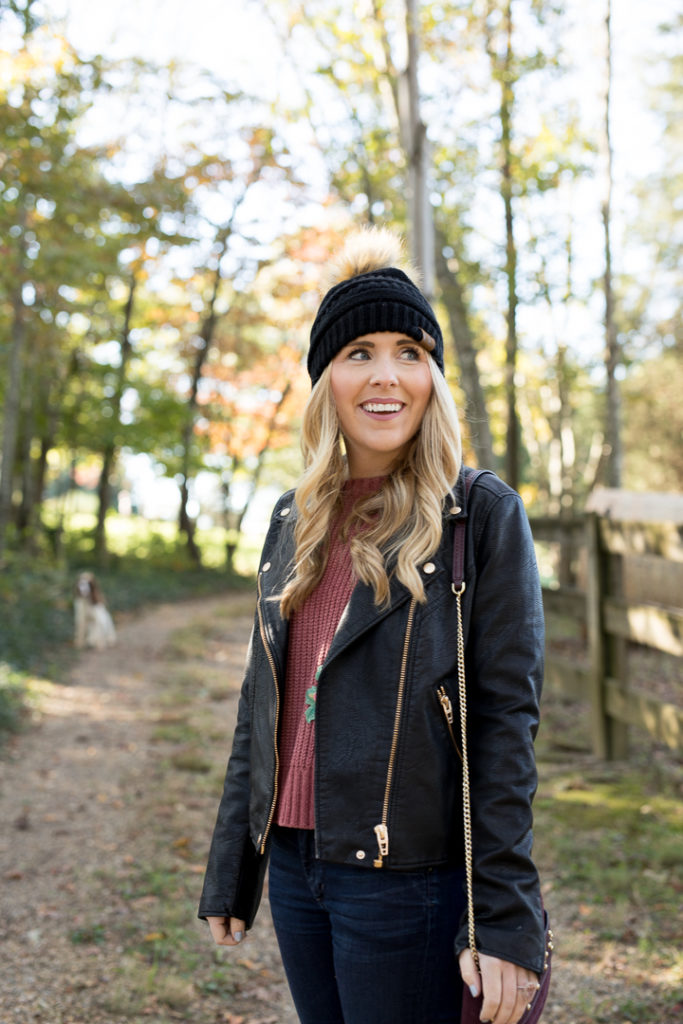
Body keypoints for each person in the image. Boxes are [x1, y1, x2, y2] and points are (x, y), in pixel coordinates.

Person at [198, 228, 546, 1024]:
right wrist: (233, 866)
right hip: (293, 863)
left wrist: (502, 914)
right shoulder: (294, 518)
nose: (385, 375)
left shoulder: (477, 515)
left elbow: (505, 725)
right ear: (326, 380)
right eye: (358, 352)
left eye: (408, 351)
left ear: (432, 378)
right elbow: (263, 705)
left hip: (407, 877)